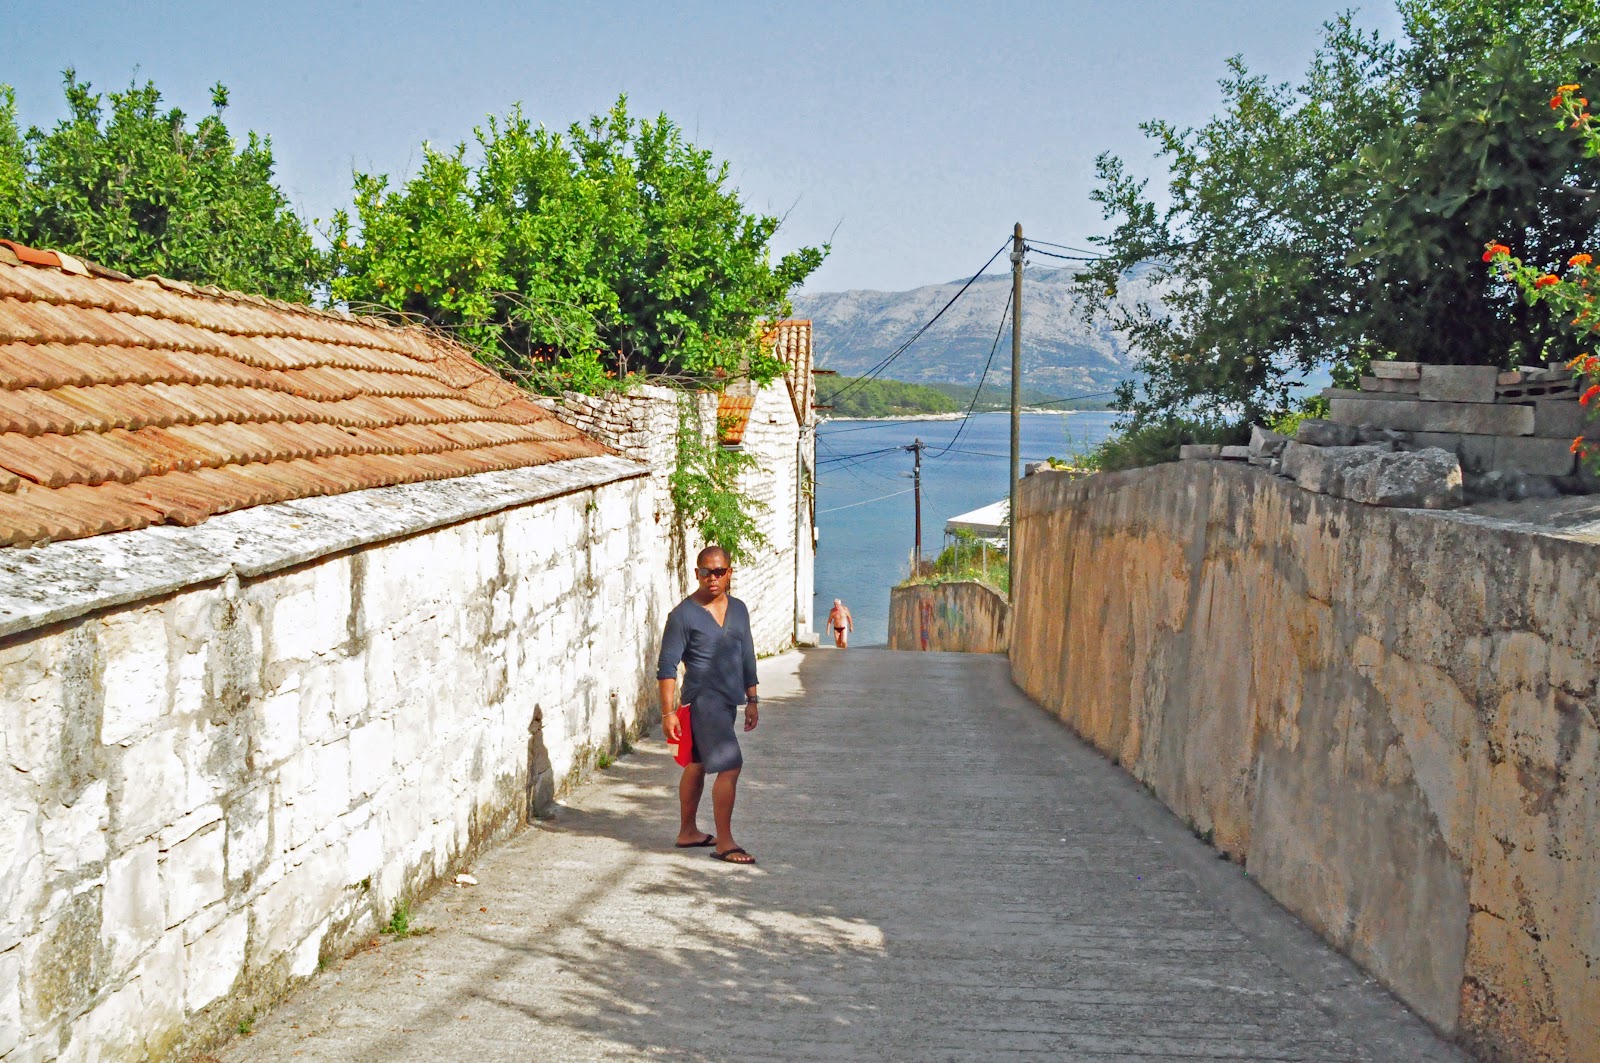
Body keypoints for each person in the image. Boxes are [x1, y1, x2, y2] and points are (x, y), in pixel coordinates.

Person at [657, 545, 760, 865]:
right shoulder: (683, 615)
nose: (712, 578)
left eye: (719, 572)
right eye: (705, 572)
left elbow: (747, 655)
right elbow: (666, 667)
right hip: (703, 700)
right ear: (696, 573)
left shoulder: (739, 609)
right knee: (730, 765)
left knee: (698, 763)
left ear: (729, 573)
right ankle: (725, 842)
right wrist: (668, 713)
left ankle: (687, 832)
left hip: (729, 700)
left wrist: (753, 698)